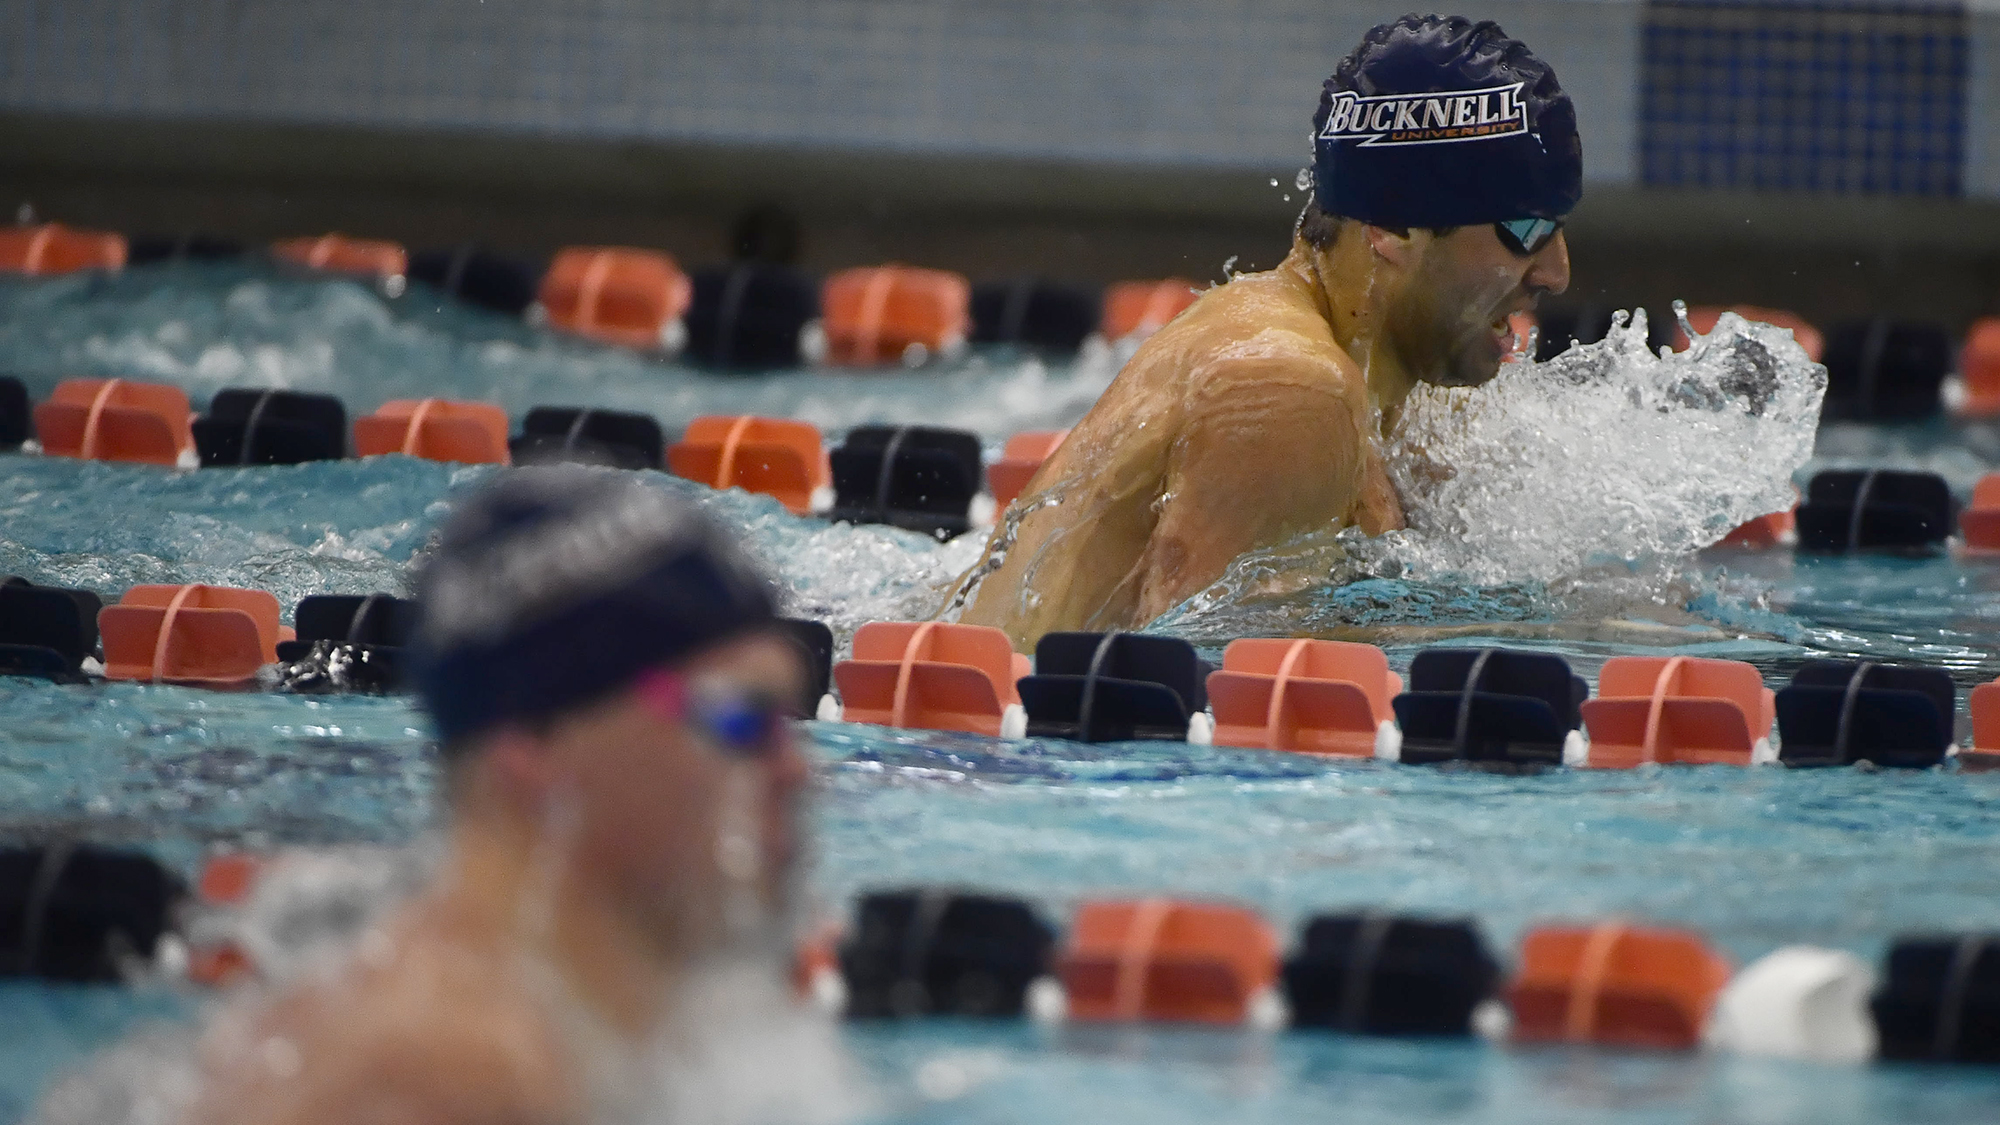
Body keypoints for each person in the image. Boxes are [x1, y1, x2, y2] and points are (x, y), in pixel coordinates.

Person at [178, 468, 813, 1123]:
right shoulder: (450, 1078)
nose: (796, 770)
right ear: (534, 744)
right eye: (738, 718)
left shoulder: (573, 1017)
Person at [956, 15, 1581, 650]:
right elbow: (1202, 697)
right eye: (1524, 230)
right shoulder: (1289, 390)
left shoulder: (1402, 381)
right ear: (1393, 227)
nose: (1557, 273)